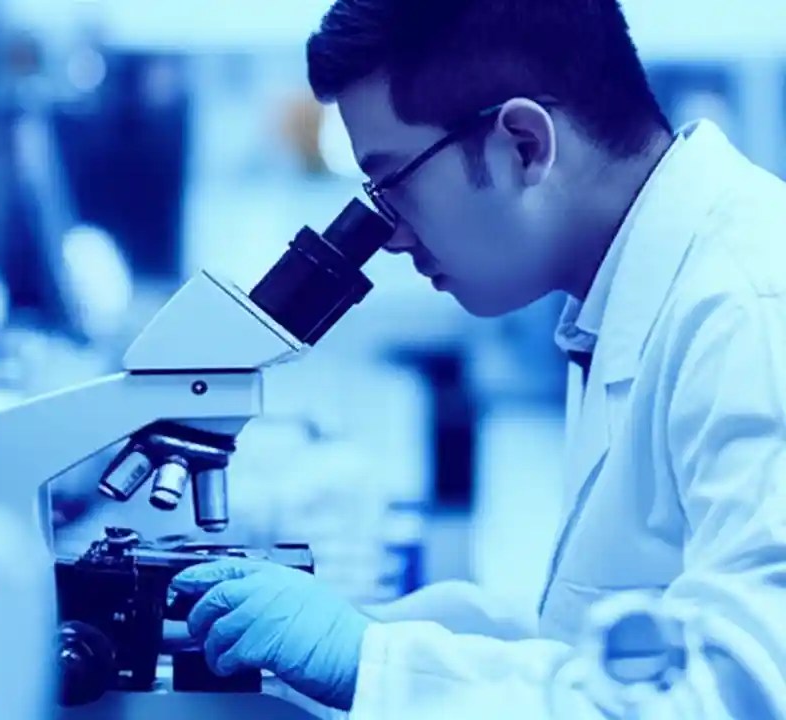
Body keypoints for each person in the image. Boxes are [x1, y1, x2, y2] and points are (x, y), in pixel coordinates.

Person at [169, 0, 786, 717]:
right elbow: (643, 640)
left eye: (394, 184)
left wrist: (378, 664)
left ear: (523, 144)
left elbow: (742, 690)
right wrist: (465, 634)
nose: (391, 236)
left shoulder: (751, 308)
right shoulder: (634, 295)